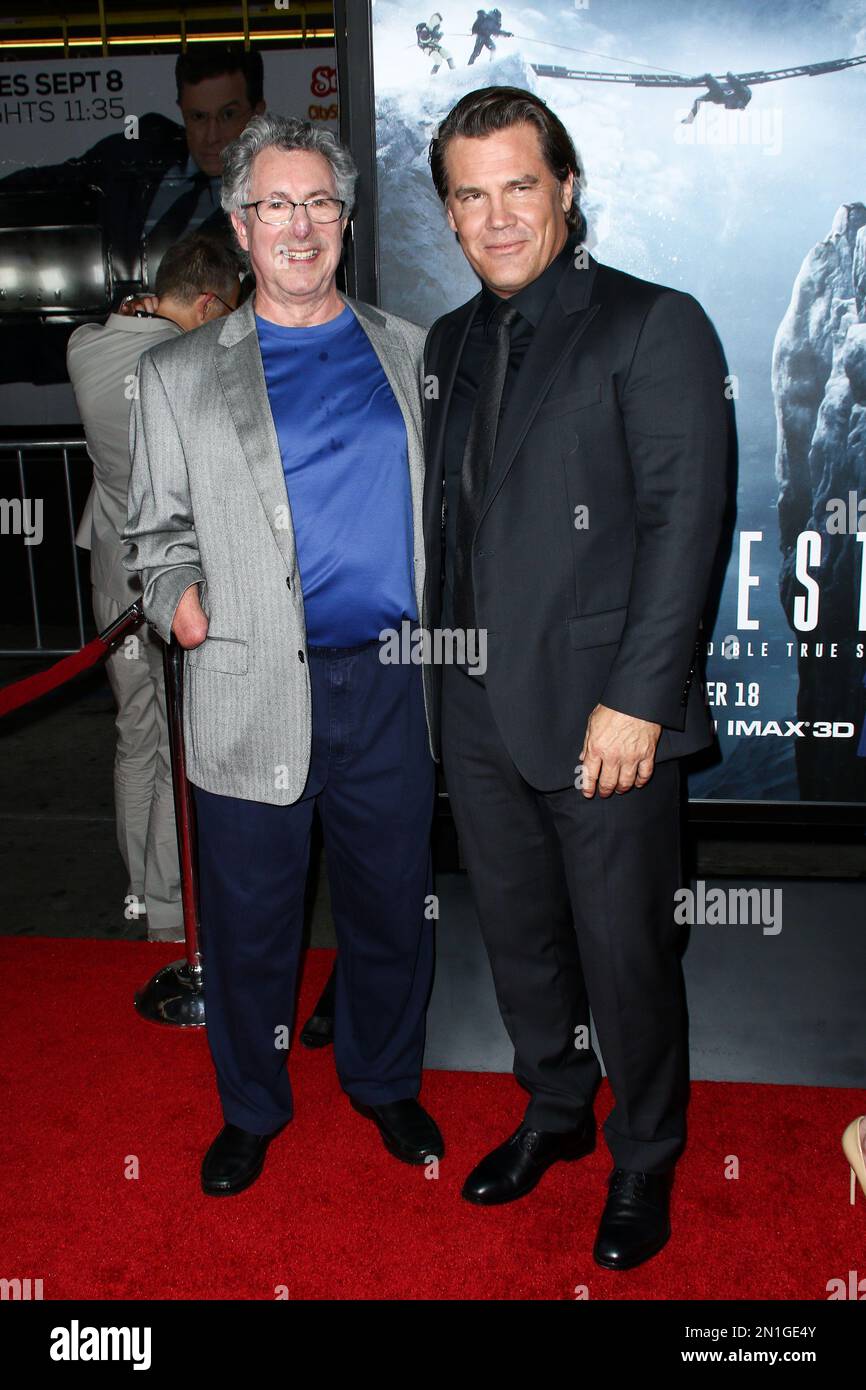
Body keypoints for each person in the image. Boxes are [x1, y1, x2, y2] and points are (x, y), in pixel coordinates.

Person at [423, 86, 730, 1269]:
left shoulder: (653, 325)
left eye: (517, 185)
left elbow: (680, 524)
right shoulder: (449, 342)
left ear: (564, 186)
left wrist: (639, 700)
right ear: (447, 211)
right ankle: (553, 1109)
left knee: (625, 951)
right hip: (477, 710)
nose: (495, 216)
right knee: (519, 940)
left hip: (608, 716)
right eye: (468, 193)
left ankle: (644, 1156)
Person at [123, 113, 442, 1196]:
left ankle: (384, 1080)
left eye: (318, 204)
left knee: (391, 904)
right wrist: (177, 603)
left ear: (346, 222)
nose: (297, 226)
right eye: (274, 204)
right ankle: (253, 1108)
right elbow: (151, 536)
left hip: (392, 680)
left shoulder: (410, 351)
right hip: (251, 680)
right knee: (253, 921)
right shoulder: (175, 375)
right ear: (239, 223)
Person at [69, 232, 243, 942]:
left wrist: (136, 311)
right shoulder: (190, 366)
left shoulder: (85, 349)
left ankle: (142, 893)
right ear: (205, 303)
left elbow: (109, 328)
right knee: (179, 747)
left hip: (113, 574)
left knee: (135, 736)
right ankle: (175, 918)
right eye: (227, 312)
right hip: (173, 579)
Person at [0, 46, 265, 384]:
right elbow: (59, 179)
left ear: (256, 114)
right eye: (198, 117)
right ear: (181, 113)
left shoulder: (267, 204)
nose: (211, 136)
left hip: (194, 376)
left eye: (227, 115)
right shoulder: (143, 147)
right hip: (96, 360)